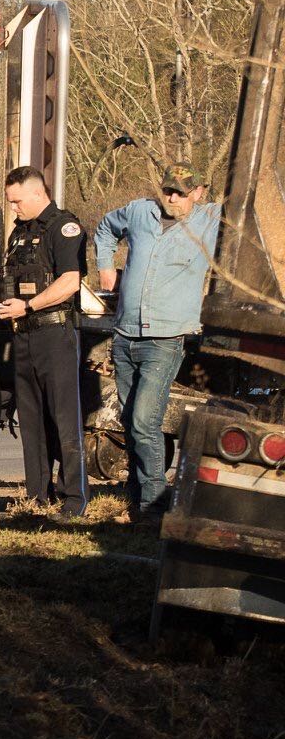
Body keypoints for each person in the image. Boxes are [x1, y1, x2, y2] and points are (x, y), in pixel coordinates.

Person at [94, 164, 221, 520]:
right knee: (129, 422)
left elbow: (254, 217)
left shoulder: (210, 221)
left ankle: (155, 505)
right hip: (124, 335)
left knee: (144, 422)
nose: (173, 198)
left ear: (199, 192)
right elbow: (105, 228)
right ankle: (137, 502)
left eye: (182, 192)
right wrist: (106, 266)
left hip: (166, 339)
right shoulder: (138, 212)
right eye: (168, 190)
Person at [0, 166, 88, 517]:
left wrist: (27, 305)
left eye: (16, 201)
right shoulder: (20, 233)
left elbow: (69, 282)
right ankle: (37, 497)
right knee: (31, 421)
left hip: (55, 334)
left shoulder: (63, 226)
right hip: (24, 334)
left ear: (37, 193)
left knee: (64, 419)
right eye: (10, 202)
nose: (13, 208)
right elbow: (14, 278)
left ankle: (74, 499)